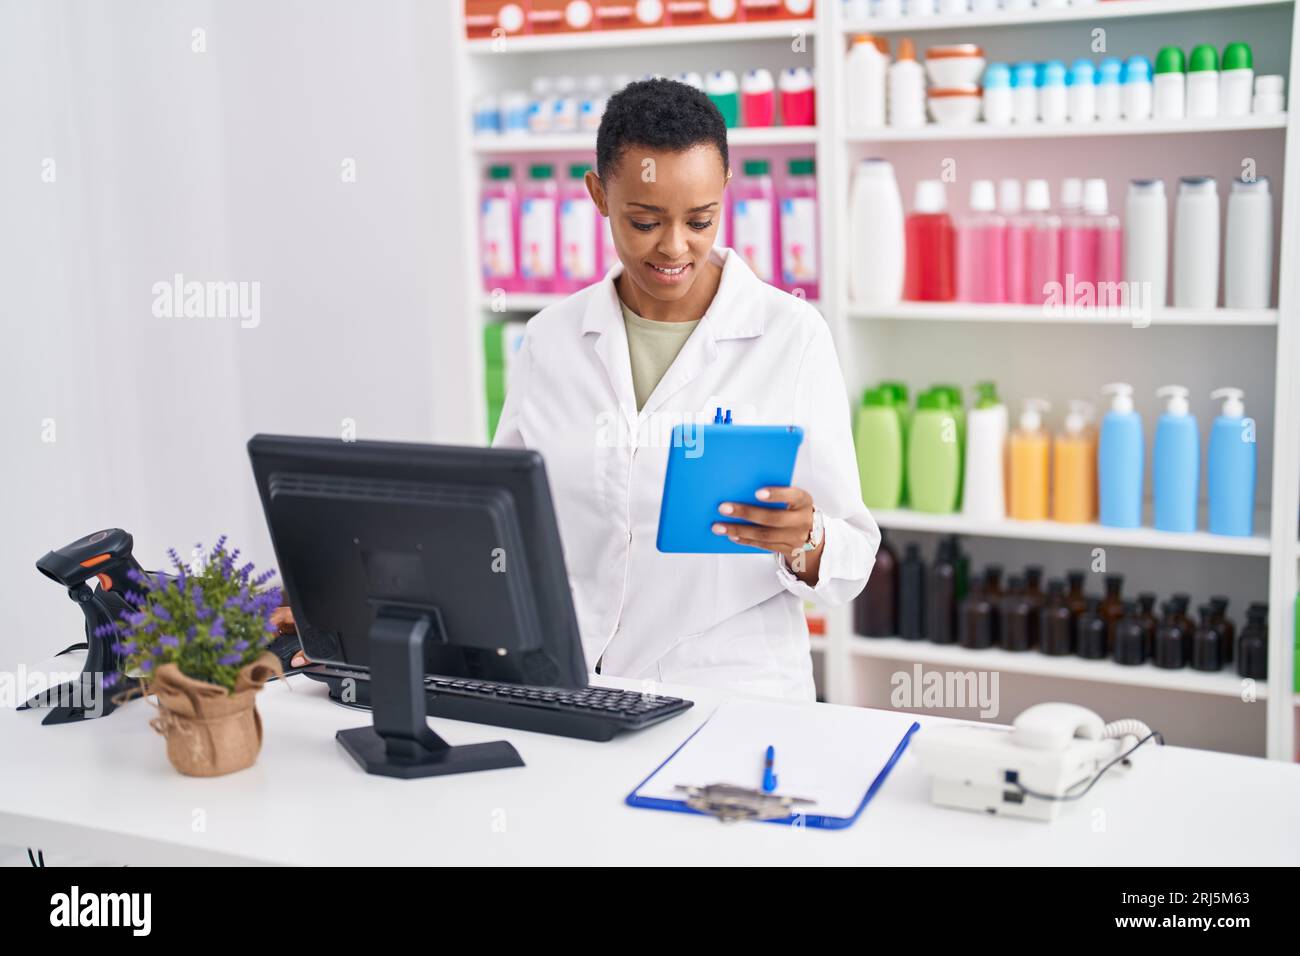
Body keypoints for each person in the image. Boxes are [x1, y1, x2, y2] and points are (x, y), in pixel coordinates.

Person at [490, 78, 878, 700]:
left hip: (735, 693)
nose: (675, 247)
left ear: (725, 191)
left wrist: (805, 538)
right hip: (576, 683)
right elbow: (502, 519)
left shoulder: (791, 335)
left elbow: (852, 559)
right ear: (598, 194)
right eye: (644, 221)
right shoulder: (551, 340)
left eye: (700, 220)